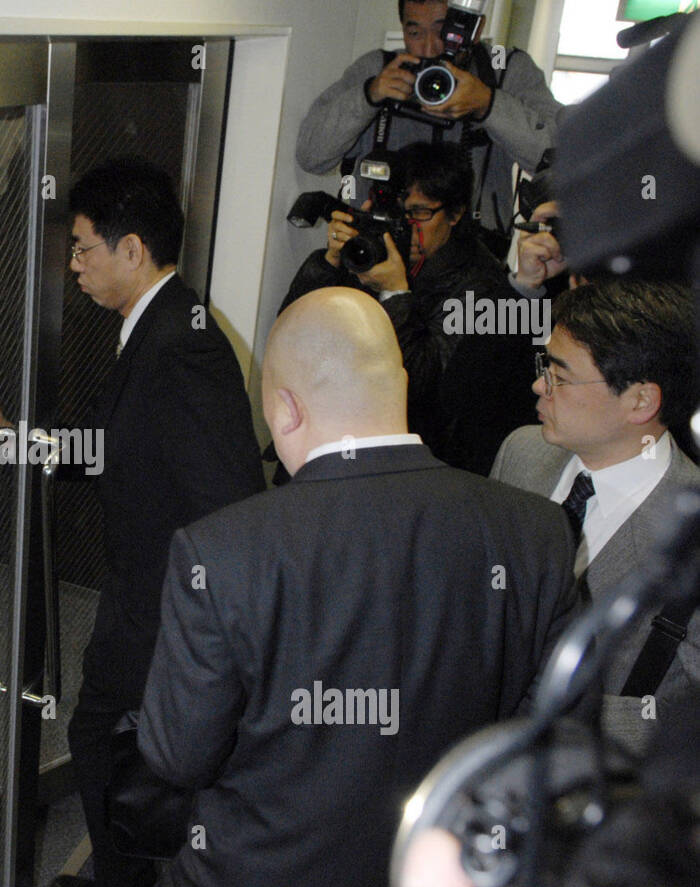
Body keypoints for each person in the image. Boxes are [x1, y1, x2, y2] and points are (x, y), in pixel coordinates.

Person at [137, 286, 577, 887]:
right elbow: (551, 731)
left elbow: (178, 756)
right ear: (398, 385)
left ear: (284, 410)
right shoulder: (537, 531)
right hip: (444, 880)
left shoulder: (221, 553)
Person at [0, 157, 264, 887]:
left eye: (85, 247)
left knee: (102, 742)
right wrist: (5, 431)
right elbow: (101, 445)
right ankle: (128, 882)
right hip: (149, 605)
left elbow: (231, 500)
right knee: (113, 746)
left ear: (132, 249)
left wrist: (196, 634)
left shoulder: (180, 347)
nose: (76, 265)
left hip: (163, 614)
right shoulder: (154, 325)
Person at [490, 278, 700, 756]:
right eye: (544, 365)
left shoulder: (689, 534)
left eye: (560, 376)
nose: (539, 385)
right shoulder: (522, 453)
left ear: (641, 401)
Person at [281, 141, 531, 475]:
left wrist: (394, 292)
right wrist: (329, 263)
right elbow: (291, 332)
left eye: (420, 213)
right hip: (330, 437)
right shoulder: (372, 244)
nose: (406, 225)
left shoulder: (481, 288)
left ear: (456, 213)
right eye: (399, 211)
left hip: (405, 460)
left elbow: (426, 387)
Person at [297, 0, 562, 245]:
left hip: (471, 262)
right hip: (377, 250)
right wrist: (370, 95)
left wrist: (489, 105)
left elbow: (560, 156)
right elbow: (311, 156)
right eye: (415, 33)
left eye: (443, 32)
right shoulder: (379, 68)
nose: (430, 49)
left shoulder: (505, 71)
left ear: (473, 28)